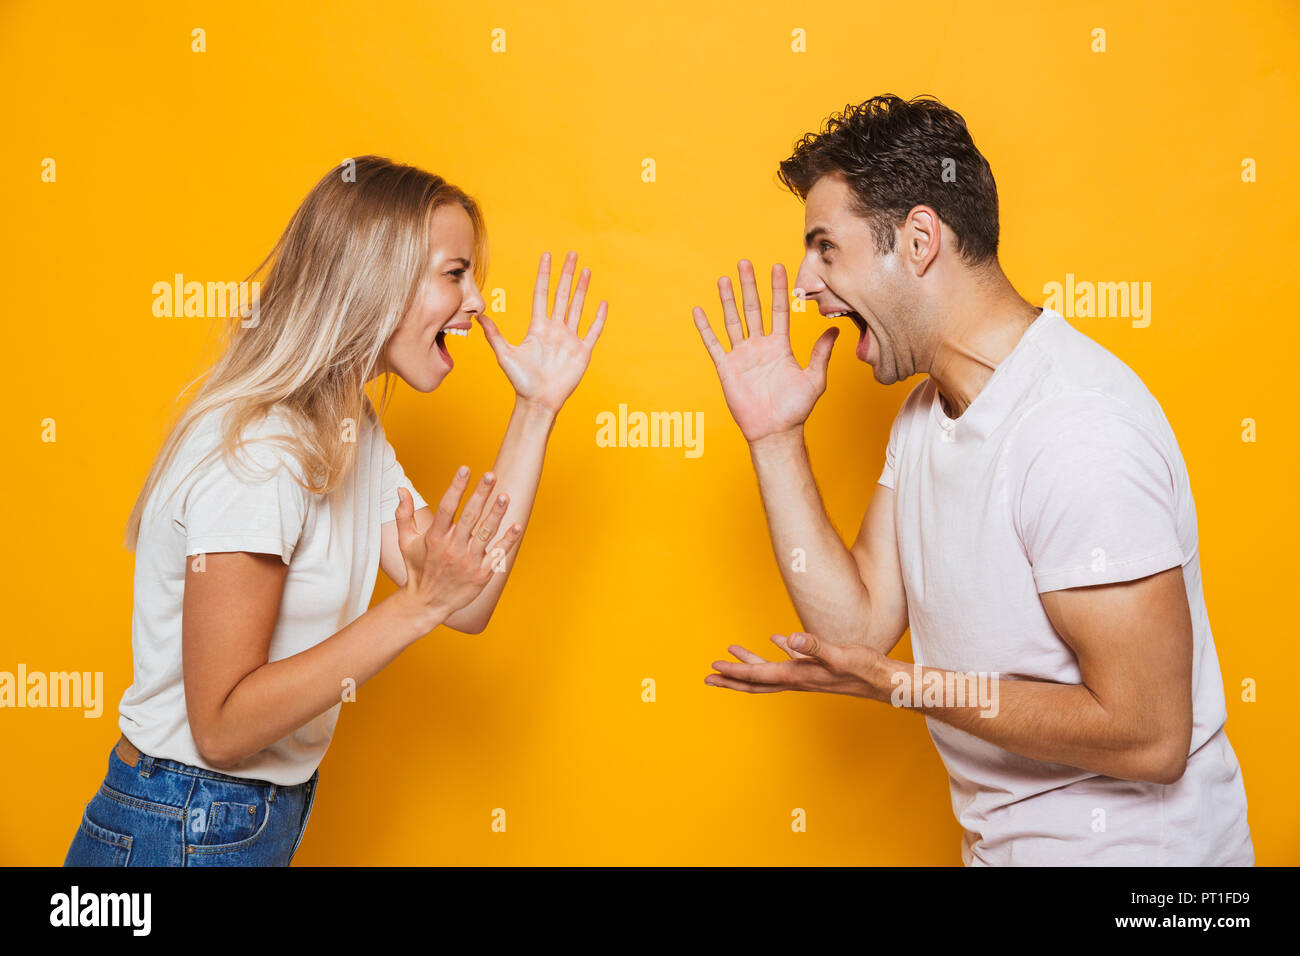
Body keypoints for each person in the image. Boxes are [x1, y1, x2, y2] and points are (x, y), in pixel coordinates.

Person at [695, 95, 1253, 865]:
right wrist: (775, 436)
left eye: (826, 248)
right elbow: (852, 632)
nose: (804, 283)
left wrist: (908, 685)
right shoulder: (928, 414)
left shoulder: (1077, 428)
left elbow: (1150, 733)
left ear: (919, 240)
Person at [64, 155, 607, 866]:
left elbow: (465, 599)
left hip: (239, 817)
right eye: (455, 273)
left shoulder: (349, 429)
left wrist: (534, 412)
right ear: (373, 279)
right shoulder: (261, 450)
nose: (477, 301)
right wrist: (415, 607)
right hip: (183, 821)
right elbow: (222, 727)